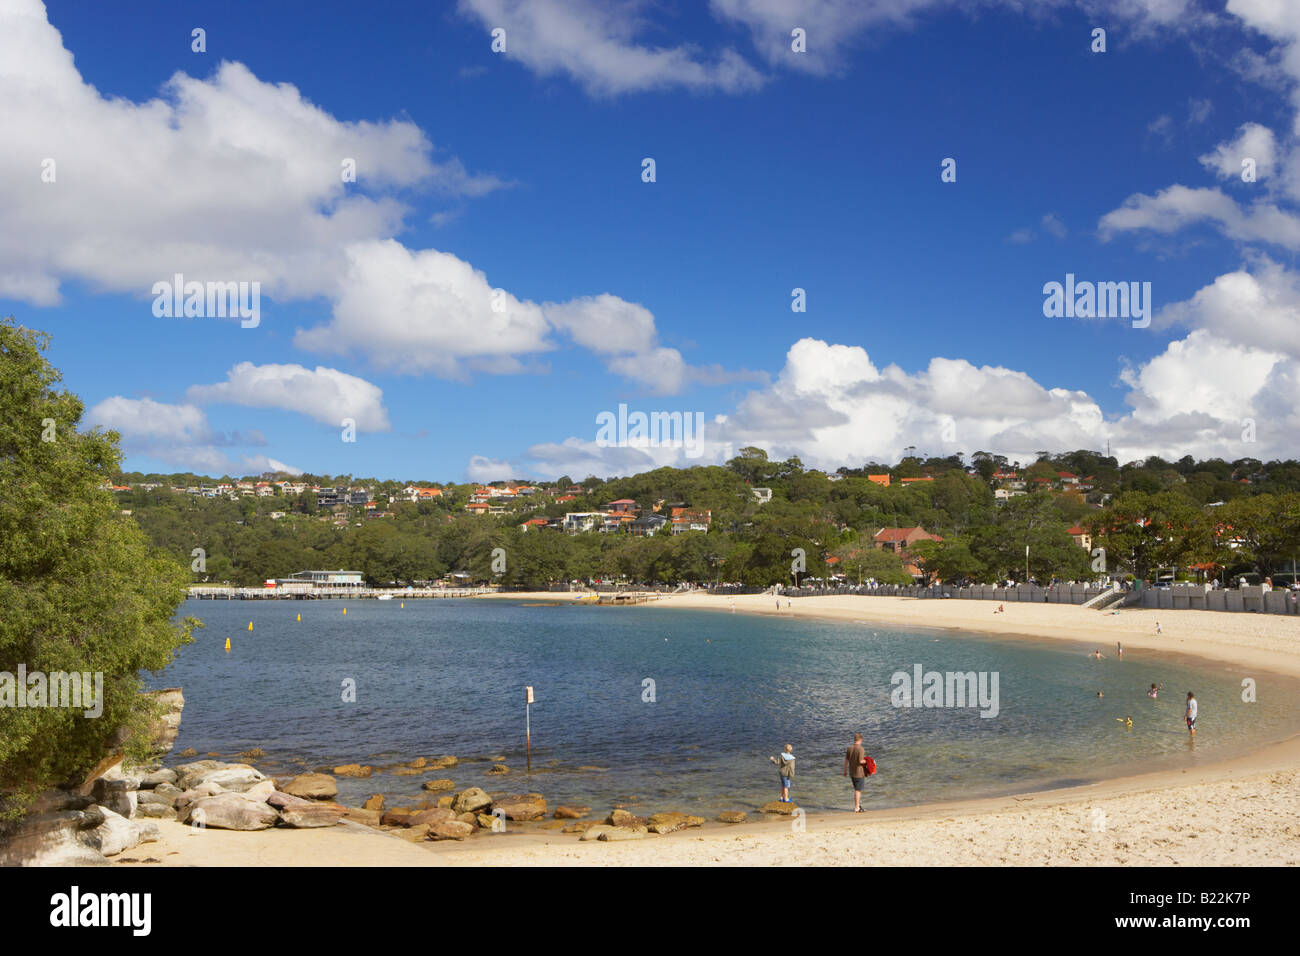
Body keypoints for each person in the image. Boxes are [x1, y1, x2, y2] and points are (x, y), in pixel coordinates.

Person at [843, 733, 867, 812]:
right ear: (860, 739)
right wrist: (868, 761)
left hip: (852, 772)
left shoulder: (849, 748)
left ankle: (858, 805)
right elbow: (861, 761)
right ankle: (856, 807)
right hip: (859, 772)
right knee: (858, 790)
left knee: (856, 789)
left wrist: (845, 771)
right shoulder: (861, 749)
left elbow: (846, 761)